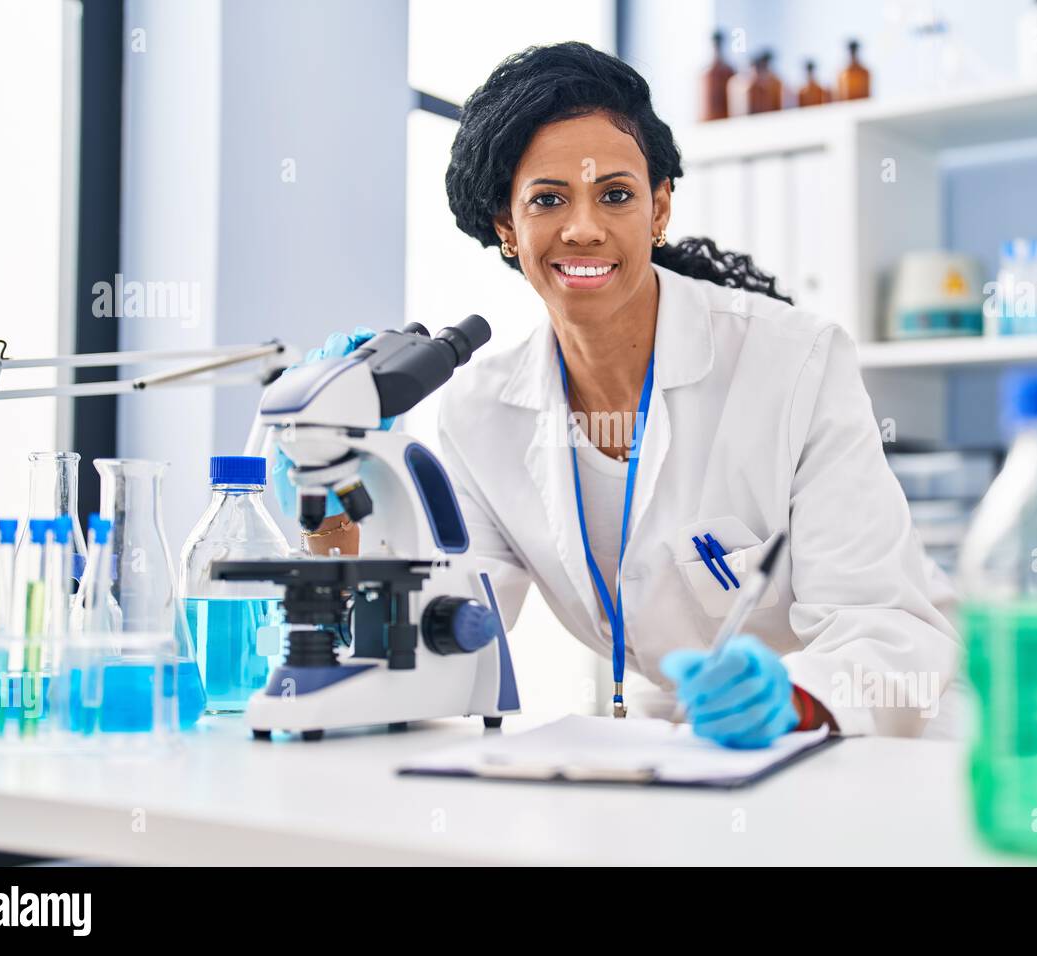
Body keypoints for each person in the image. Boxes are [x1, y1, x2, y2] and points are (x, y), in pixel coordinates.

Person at [280, 42, 959, 747]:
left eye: (616, 194)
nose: (583, 228)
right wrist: (338, 490)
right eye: (547, 199)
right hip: (690, 743)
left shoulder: (796, 362)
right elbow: (449, 629)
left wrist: (793, 698)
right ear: (507, 229)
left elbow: (887, 624)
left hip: (865, 742)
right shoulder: (481, 410)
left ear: (659, 208)